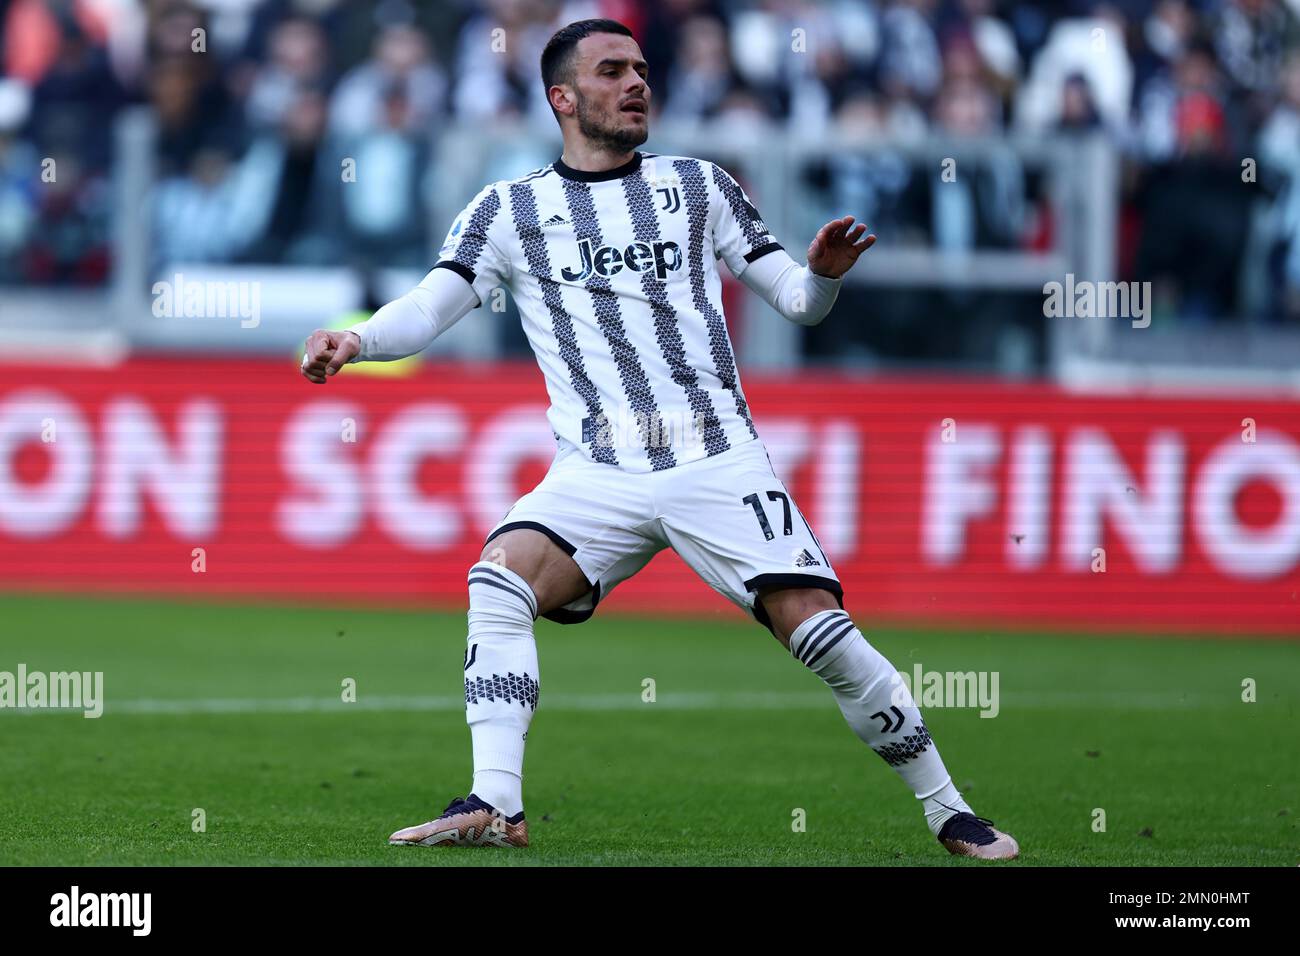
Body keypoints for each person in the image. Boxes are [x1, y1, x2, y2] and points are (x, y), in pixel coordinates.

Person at [300, 18, 1018, 860]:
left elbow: (794, 299)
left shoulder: (698, 184)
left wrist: (821, 276)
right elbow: (429, 305)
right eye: (612, 71)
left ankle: (948, 809)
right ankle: (496, 803)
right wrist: (358, 340)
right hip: (596, 468)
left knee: (821, 634)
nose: (637, 83)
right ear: (563, 98)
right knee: (498, 581)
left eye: (641, 68)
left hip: (714, 455)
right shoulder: (510, 208)